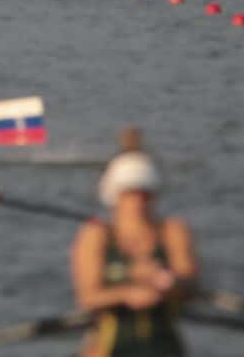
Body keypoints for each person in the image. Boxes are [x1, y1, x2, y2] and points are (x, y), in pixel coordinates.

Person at [70, 130, 198, 357]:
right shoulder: (96, 235)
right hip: (113, 346)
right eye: (130, 195)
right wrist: (128, 292)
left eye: (144, 195)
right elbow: (88, 297)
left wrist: (170, 283)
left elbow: (190, 284)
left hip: (165, 347)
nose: (138, 202)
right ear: (115, 197)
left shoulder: (172, 230)